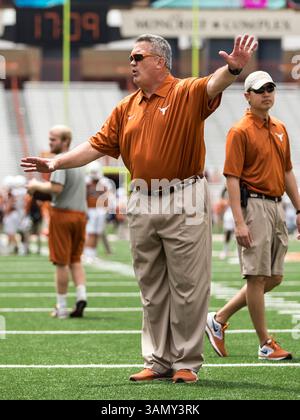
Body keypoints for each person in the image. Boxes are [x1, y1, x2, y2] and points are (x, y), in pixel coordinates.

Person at [21, 34, 257, 383]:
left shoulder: (184, 91)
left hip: (183, 194)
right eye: (131, 56)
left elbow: (215, 83)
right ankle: (158, 359)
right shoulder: (126, 106)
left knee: (188, 284)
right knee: (150, 284)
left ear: (160, 61)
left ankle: (186, 362)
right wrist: (55, 163)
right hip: (142, 196)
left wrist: (235, 66)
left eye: (138, 56)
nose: (131, 62)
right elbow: (95, 145)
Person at [206, 71, 300, 361]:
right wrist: (239, 221)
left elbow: (286, 172)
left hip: (275, 206)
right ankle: (264, 343)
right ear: (247, 95)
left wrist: (299, 207)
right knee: (257, 277)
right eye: (259, 90)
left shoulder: (280, 128)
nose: (266, 94)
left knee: (274, 277)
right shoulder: (239, 131)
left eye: (270, 88)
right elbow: (231, 178)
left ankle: (218, 319)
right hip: (254, 205)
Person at [26, 125, 88, 319]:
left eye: (53, 139)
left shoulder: (59, 161)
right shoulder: (79, 162)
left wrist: (35, 184)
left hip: (63, 214)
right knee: (75, 260)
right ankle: (81, 296)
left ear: (65, 142)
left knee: (61, 262)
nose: (50, 142)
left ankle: (61, 307)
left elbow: (56, 188)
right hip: (80, 215)